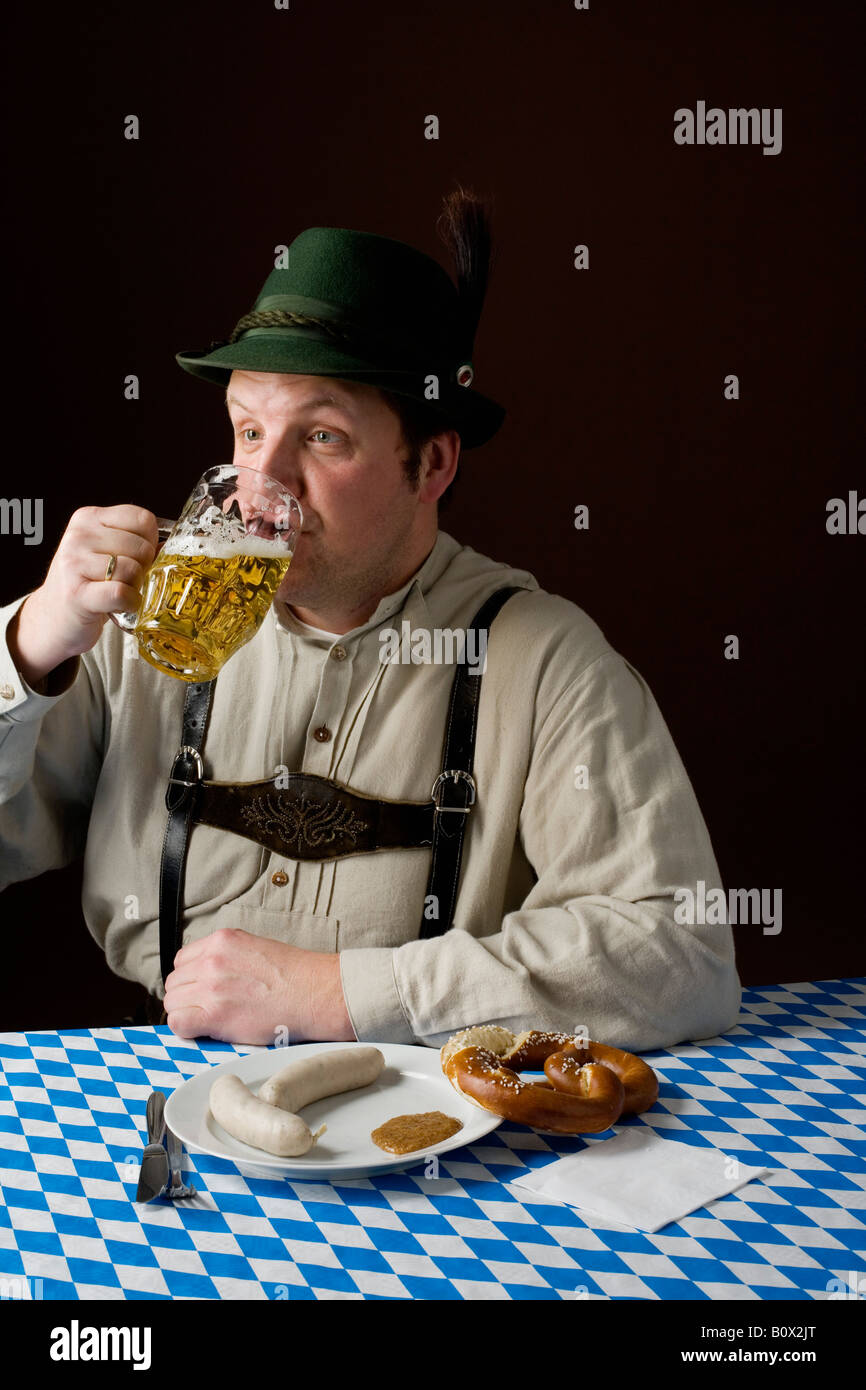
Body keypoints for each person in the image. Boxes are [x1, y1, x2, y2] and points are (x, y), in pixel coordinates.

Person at [0, 190, 741, 1050]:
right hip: (156, 1087)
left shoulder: (547, 661)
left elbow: (680, 957)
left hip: (435, 1120)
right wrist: (28, 648)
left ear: (430, 462)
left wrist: (344, 994)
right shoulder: (147, 623)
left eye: (321, 439)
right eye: (247, 430)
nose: (259, 484)